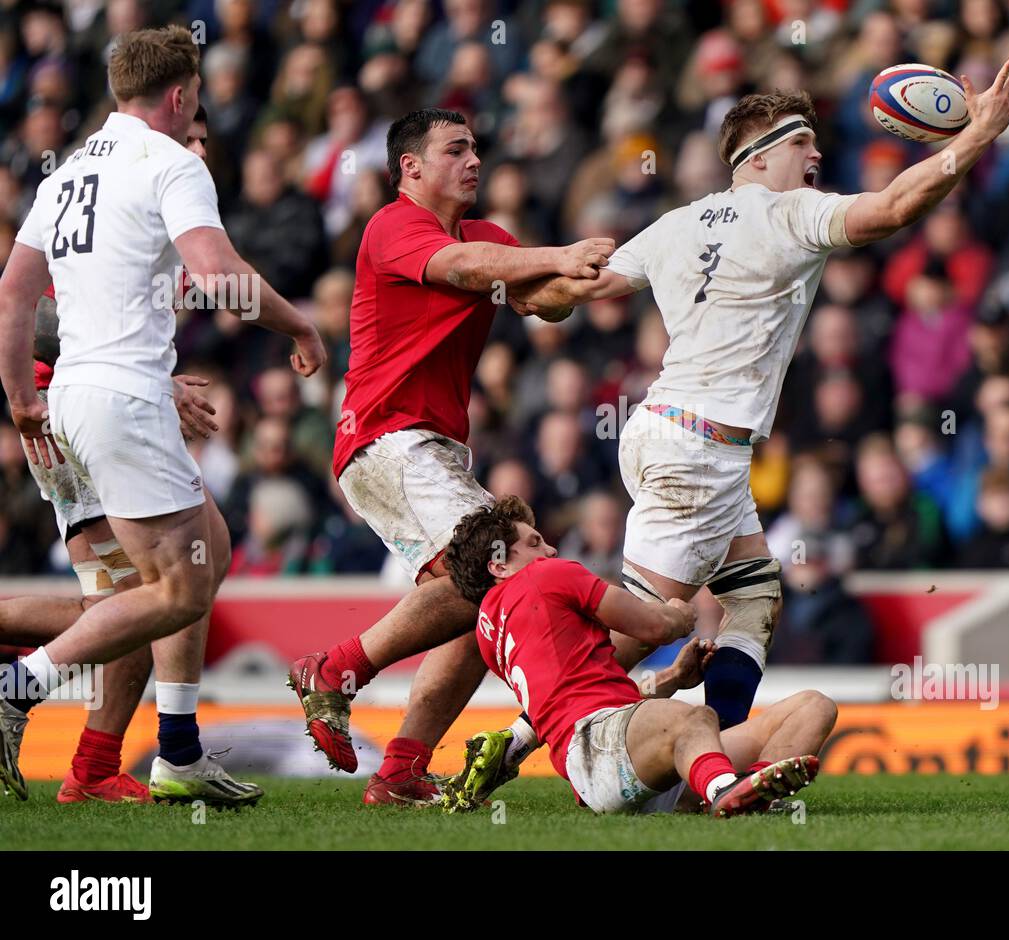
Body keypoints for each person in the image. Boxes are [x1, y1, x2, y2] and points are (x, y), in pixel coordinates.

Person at [492, 65, 1009, 783]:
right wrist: (980, 132)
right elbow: (897, 206)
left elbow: (572, 292)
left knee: (754, 595)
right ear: (761, 156)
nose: (816, 157)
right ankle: (510, 743)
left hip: (668, 429)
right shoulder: (790, 215)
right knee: (643, 623)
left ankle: (723, 746)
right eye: (803, 142)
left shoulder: (674, 223)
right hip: (699, 448)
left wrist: (530, 294)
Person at [0, 25, 326, 802]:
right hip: (115, 398)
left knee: (199, 549)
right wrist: (299, 324)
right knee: (167, 591)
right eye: (200, 97)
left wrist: (21, 397)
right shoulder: (172, 163)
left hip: (75, 395)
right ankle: (22, 686)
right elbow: (220, 276)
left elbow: (14, 290)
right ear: (180, 95)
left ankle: (171, 751)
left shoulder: (70, 170)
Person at [283, 106, 615, 806]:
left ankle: (400, 770)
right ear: (411, 167)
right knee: (497, 565)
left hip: (432, 447)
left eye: (475, 148)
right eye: (455, 150)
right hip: (384, 436)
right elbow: (465, 267)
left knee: (486, 595)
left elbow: (542, 300)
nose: (473, 161)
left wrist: (619, 271)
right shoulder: (394, 225)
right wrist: (559, 255)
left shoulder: (492, 236)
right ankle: (335, 669)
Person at [442, 497, 835, 816]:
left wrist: (672, 679)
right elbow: (653, 626)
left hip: (622, 755)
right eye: (533, 543)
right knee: (699, 717)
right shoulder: (546, 575)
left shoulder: (489, 636)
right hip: (598, 744)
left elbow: (589, 690)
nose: (549, 549)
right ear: (499, 563)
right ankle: (723, 789)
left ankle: (752, 797)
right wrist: (681, 615)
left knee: (814, 707)